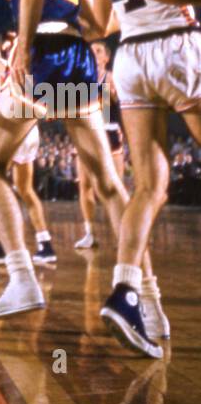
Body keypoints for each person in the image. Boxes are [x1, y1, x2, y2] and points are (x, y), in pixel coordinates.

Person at [0, 0, 163, 348]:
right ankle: (149, 301)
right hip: (77, 59)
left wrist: (23, 45)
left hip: (42, 55)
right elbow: (99, 24)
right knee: (109, 183)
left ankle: (23, 279)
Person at [92, 0, 200, 354]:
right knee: (151, 185)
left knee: (150, 186)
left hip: (131, 59)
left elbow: (101, 22)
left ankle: (125, 291)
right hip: (175, 46)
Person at [0, 27, 56, 268]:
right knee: (25, 189)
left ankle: (0, 244)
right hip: (28, 127)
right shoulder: (8, 64)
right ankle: (45, 245)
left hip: (9, 124)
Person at [75, 39, 125, 249]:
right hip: (86, 134)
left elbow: (122, 106)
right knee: (85, 185)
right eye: (91, 51)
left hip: (109, 133)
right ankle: (89, 233)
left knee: (115, 187)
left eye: (98, 51)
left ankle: (123, 234)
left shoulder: (112, 78)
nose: (93, 54)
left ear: (106, 57)